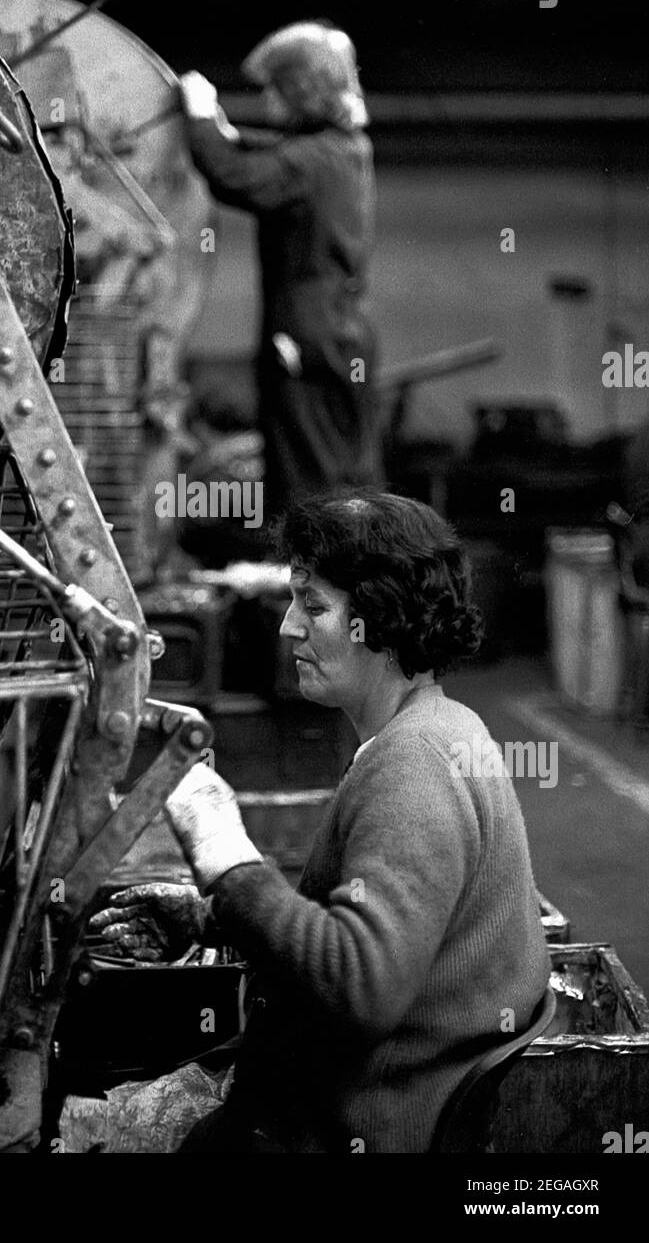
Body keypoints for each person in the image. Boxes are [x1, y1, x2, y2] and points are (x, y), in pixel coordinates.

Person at [90, 490, 551, 1152]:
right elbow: (367, 928)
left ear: (380, 619)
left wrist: (225, 857)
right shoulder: (443, 728)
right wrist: (211, 915)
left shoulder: (412, 766)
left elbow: (358, 987)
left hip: (354, 1125)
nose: (287, 627)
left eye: (312, 606)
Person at [179, 22, 382, 516]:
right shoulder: (345, 149)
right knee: (338, 465)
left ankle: (317, 574)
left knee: (307, 472)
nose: (268, 97)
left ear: (300, 90)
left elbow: (234, 178)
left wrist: (201, 117)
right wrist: (225, 132)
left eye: (274, 87)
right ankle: (341, 575)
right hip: (338, 330)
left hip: (304, 333)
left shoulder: (310, 163)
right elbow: (277, 156)